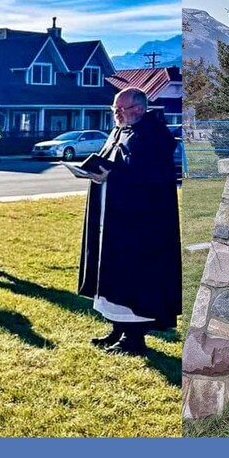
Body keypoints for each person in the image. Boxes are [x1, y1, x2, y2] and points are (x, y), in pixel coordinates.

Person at [78, 88, 181, 356]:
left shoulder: (154, 135)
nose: (117, 114)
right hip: (113, 216)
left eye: (121, 109)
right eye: (114, 109)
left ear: (139, 109)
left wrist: (111, 176)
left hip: (140, 225)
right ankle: (117, 328)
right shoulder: (120, 131)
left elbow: (148, 176)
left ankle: (134, 339)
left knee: (133, 278)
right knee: (112, 274)